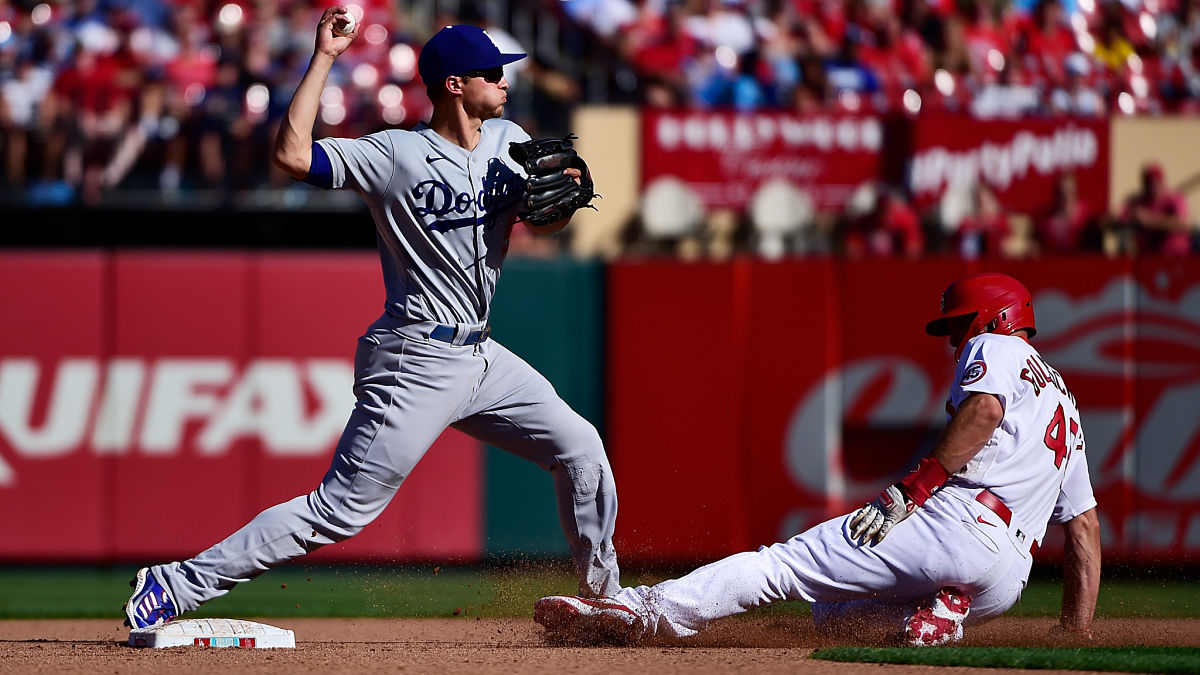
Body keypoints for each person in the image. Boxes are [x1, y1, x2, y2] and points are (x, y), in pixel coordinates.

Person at [123, 9, 621, 629]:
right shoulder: (395, 155)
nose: (505, 81)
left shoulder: (508, 143)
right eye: (492, 72)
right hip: (416, 355)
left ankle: (604, 601)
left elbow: (540, 219)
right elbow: (292, 155)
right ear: (454, 84)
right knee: (339, 510)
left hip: (483, 358)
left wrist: (565, 204)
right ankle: (173, 585)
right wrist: (325, 58)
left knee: (581, 449)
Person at [535, 273, 1101, 646]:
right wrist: (1073, 640)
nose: (956, 341)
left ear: (995, 318)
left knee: (780, 567)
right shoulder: (1067, 407)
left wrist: (913, 489)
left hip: (961, 525)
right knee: (833, 619)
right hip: (1007, 577)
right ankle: (938, 610)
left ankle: (639, 611)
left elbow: (981, 410)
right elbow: (1084, 531)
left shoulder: (998, 345)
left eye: (960, 326)